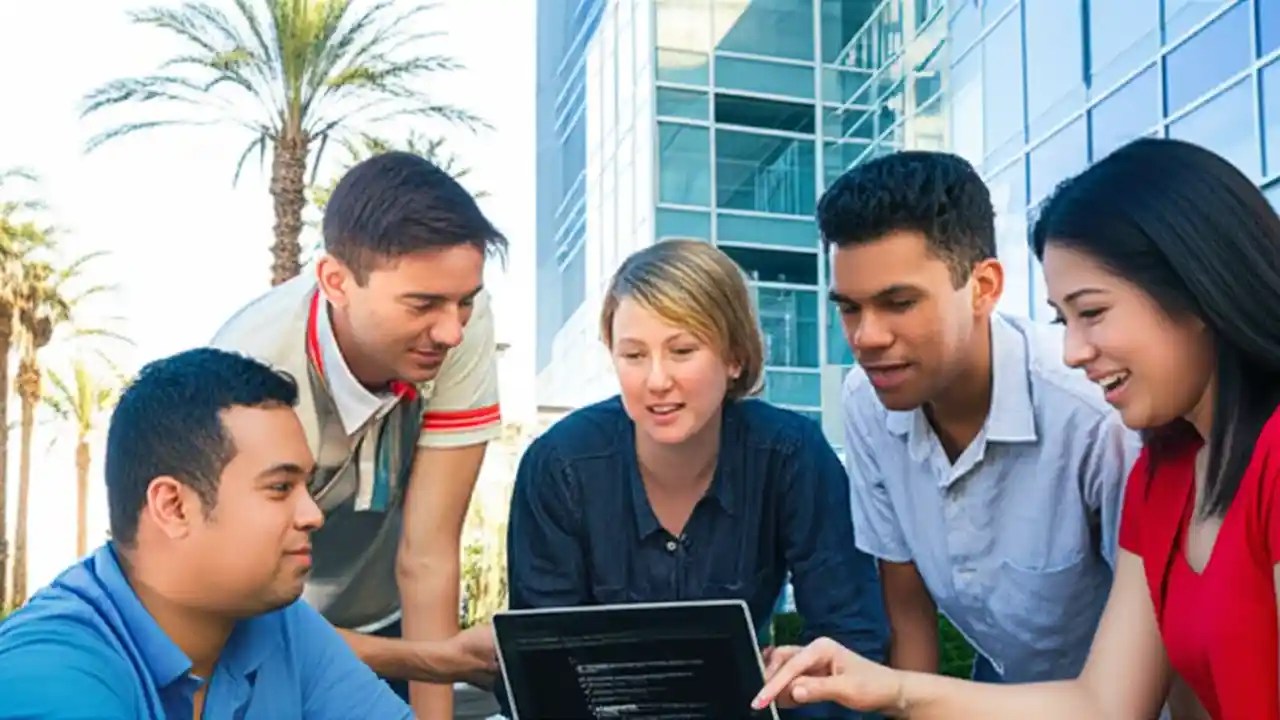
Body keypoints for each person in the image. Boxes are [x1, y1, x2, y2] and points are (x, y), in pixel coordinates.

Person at [753, 137, 1280, 719]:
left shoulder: (1105, 423)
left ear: (1199, 289)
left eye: (1093, 313)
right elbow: (1105, 704)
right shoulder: (1164, 473)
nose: (1074, 350)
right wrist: (885, 687)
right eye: (1062, 318)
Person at [504, 239, 889, 718]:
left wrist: (800, 685)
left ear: (734, 358)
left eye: (682, 350)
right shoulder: (559, 466)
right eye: (633, 355)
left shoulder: (791, 456)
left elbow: (852, 637)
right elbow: (545, 667)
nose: (656, 380)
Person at [822, 149, 1140, 686]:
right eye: (848, 307)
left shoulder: (1092, 416)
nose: (865, 338)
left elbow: (1158, 644)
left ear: (984, 288)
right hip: (999, 677)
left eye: (898, 302)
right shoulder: (866, 401)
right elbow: (908, 611)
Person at [209, 150, 507, 714]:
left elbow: (428, 553)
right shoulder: (250, 368)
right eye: (422, 304)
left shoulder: (462, 325)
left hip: (388, 623)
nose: (450, 330)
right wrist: (431, 658)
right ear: (336, 281)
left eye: (464, 302)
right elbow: (241, 605)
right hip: (260, 636)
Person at [0, 348, 412, 719]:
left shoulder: (282, 627)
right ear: (173, 507)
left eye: (308, 484)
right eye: (280, 488)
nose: (313, 514)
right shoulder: (50, 671)